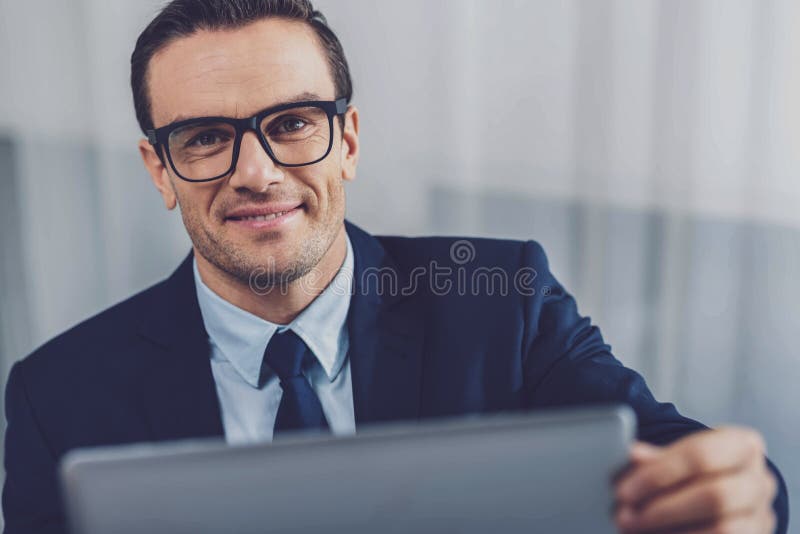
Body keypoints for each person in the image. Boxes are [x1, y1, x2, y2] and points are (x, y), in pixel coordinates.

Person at [2, 1, 788, 533]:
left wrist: (746, 499)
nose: (257, 171)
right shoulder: (57, 394)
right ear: (158, 170)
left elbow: (670, 454)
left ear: (347, 142)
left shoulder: (503, 302)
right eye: (205, 137)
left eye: (292, 123)